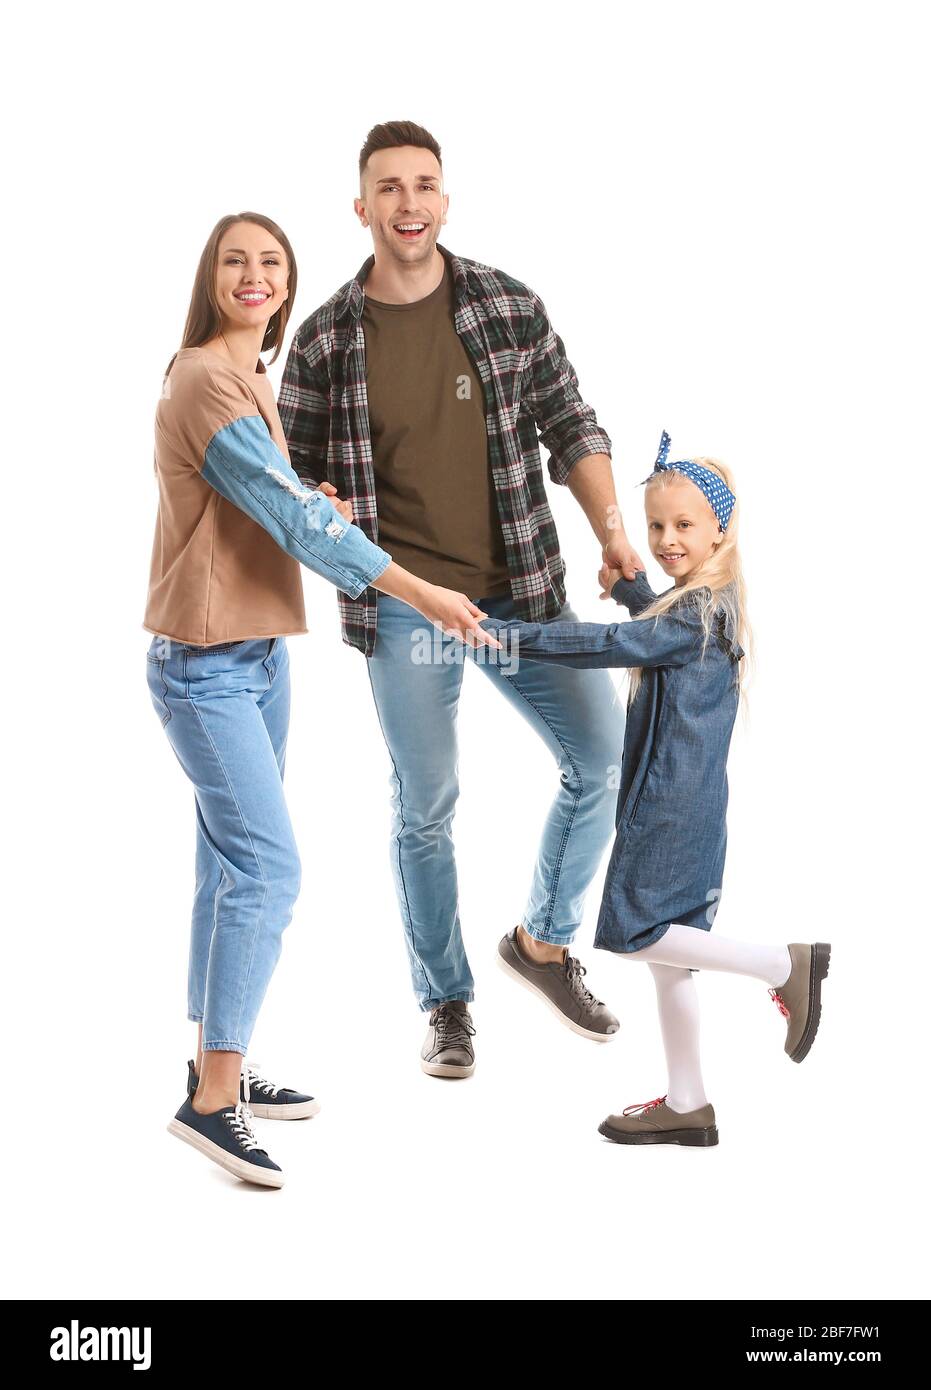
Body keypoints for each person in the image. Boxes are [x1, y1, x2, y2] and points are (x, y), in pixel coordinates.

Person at [278, 120, 641, 1079]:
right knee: (427, 804)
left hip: (519, 589)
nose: (409, 204)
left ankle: (542, 946)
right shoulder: (324, 340)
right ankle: (445, 1001)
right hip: (405, 605)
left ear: (444, 199)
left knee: (603, 759)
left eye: (424, 185)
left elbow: (570, 422)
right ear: (361, 207)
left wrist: (612, 531)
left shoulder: (505, 305)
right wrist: (317, 503)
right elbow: (288, 483)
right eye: (389, 188)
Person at [143, 212, 499, 1187]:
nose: (253, 274)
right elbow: (294, 522)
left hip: (256, 653)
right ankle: (211, 1102)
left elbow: (270, 504)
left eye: (270, 261)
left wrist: (311, 503)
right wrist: (420, 590)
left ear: (288, 282)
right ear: (209, 278)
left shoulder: (250, 379)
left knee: (228, 869)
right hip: (205, 663)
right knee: (268, 869)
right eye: (234, 260)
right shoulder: (202, 377)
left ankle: (215, 1062)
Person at [478, 432, 831, 1145]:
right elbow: (655, 622)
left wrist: (504, 634)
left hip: (668, 804)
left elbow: (613, 645)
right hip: (695, 801)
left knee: (637, 936)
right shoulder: (707, 601)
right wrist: (628, 588)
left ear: (719, 530)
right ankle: (688, 1102)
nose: (666, 540)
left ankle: (782, 964)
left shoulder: (693, 614)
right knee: (672, 959)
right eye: (656, 526)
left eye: (683, 526)